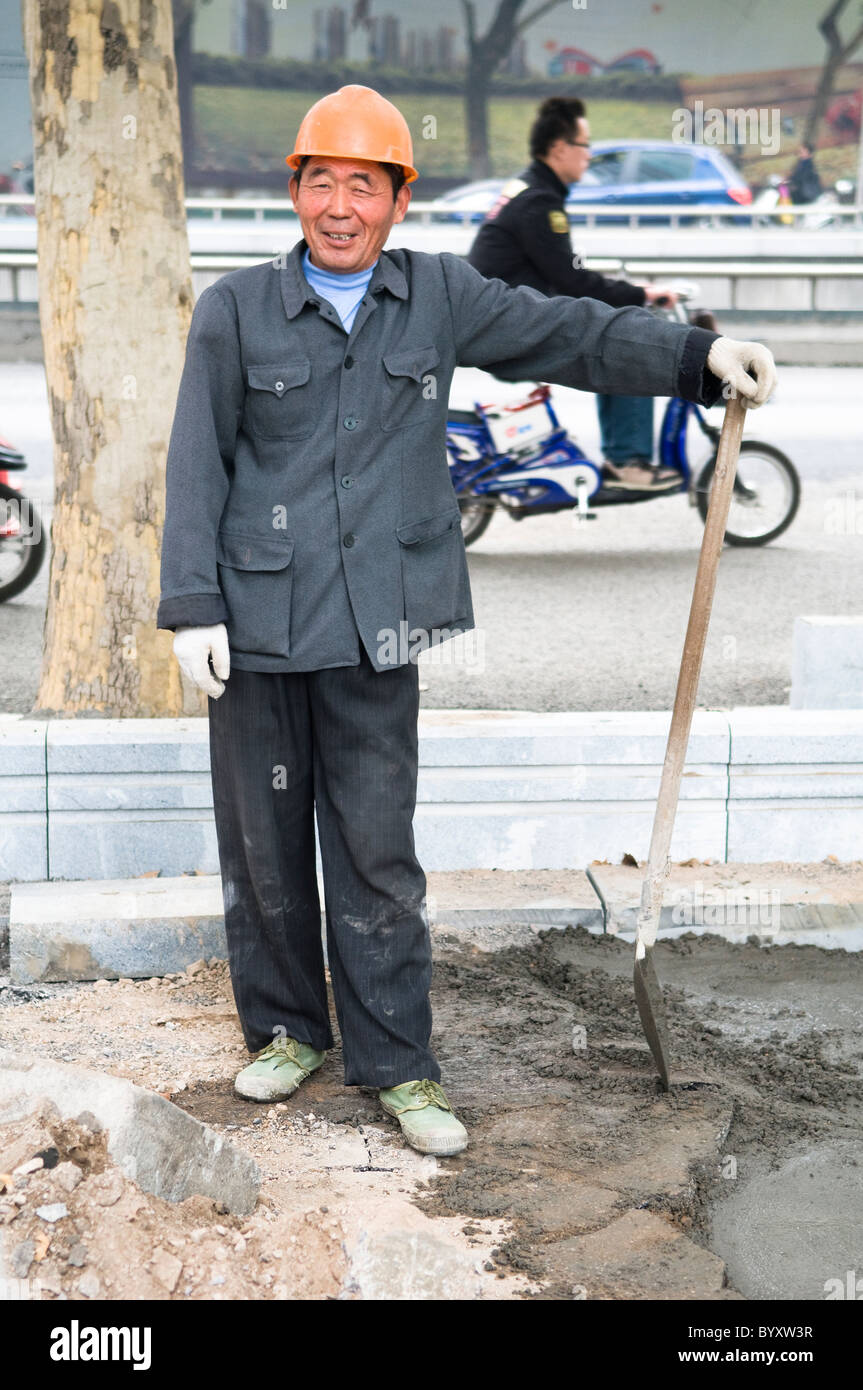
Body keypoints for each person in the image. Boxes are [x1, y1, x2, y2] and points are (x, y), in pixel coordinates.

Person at [156, 85, 776, 1157]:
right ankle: (285, 1031)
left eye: (362, 185)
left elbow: (566, 333)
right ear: (294, 191)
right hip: (255, 622)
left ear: (398, 199)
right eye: (319, 182)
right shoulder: (236, 310)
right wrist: (190, 607)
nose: (338, 206)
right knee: (262, 843)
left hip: (379, 623)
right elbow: (194, 467)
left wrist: (692, 361)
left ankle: (398, 1063)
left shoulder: (438, 296)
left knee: (375, 848)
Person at [467, 95, 684, 491]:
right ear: (559, 149)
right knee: (627, 343)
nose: (589, 155)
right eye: (584, 145)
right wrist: (643, 295)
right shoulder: (540, 202)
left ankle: (622, 456)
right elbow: (572, 280)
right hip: (509, 330)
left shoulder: (526, 187)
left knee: (605, 333)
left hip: (501, 321)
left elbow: (563, 275)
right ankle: (628, 461)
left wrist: (627, 292)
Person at [788, 142, 822, 206]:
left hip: (805, 195)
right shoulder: (803, 163)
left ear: (809, 154)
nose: (800, 154)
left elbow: (800, 177)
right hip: (805, 193)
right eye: (800, 152)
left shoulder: (807, 164)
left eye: (802, 152)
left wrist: (790, 181)